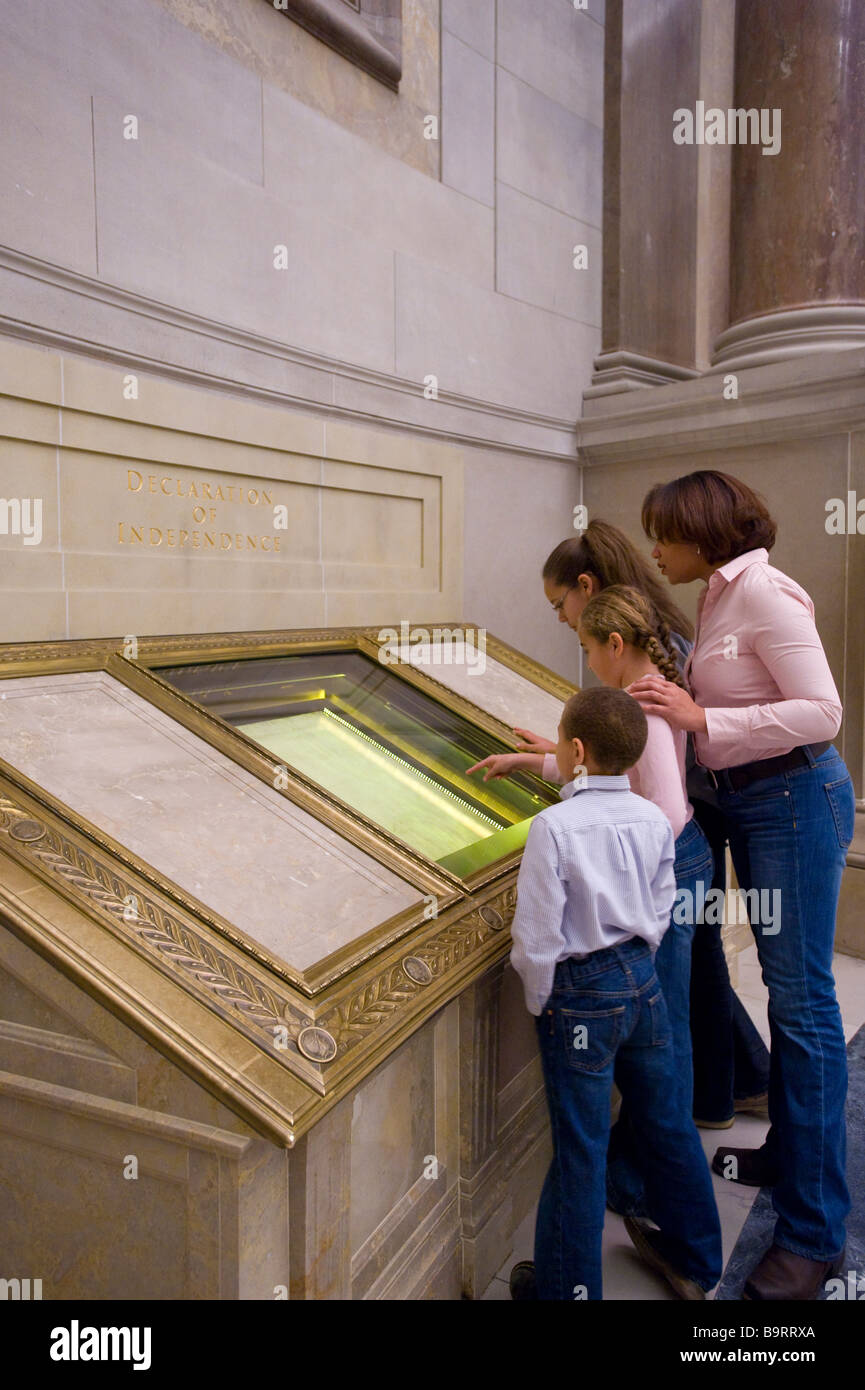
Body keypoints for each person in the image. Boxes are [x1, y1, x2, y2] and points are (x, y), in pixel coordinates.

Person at [630, 468, 854, 1300]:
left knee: (802, 1007)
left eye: (663, 532)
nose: (654, 547)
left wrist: (701, 720)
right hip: (746, 803)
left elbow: (820, 713)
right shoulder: (715, 597)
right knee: (780, 996)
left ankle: (812, 1236)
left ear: (701, 534)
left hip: (793, 801)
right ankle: (788, 1155)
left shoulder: (763, 593)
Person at [469, 585, 714, 1217]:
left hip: (642, 909)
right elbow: (612, 773)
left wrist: (541, 992)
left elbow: (656, 809)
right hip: (642, 921)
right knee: (655, 1064)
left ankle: (637, 1190)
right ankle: (685, 1235)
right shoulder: (636, 701)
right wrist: (539, 759)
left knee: (660, 1072)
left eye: (584, 646)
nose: (583, 660)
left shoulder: (647, 710)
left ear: (613, 644)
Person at [520, 526, 770, 1125]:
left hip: (681, 836)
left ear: (596, 605)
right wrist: (555, 759)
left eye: (562, 607)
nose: (561, 623)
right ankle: (719, 1098)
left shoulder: (644, 699)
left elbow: (652, 799)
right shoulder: (649, 661)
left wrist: (574, 778)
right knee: (683, 991)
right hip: (689, 837)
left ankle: (680, 1130)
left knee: (673, 1008)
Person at [505, 685, 722, 1300]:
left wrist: (541, 1001)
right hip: (642, 981)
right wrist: (637, 965)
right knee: (665, 1118)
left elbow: (539, 933)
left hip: (580, 996)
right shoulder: (653, 817)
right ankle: (697, 1261)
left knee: (581, 1150)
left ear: (575, 750)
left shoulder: (553, 827)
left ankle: (565, 1291)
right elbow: (661, 904)